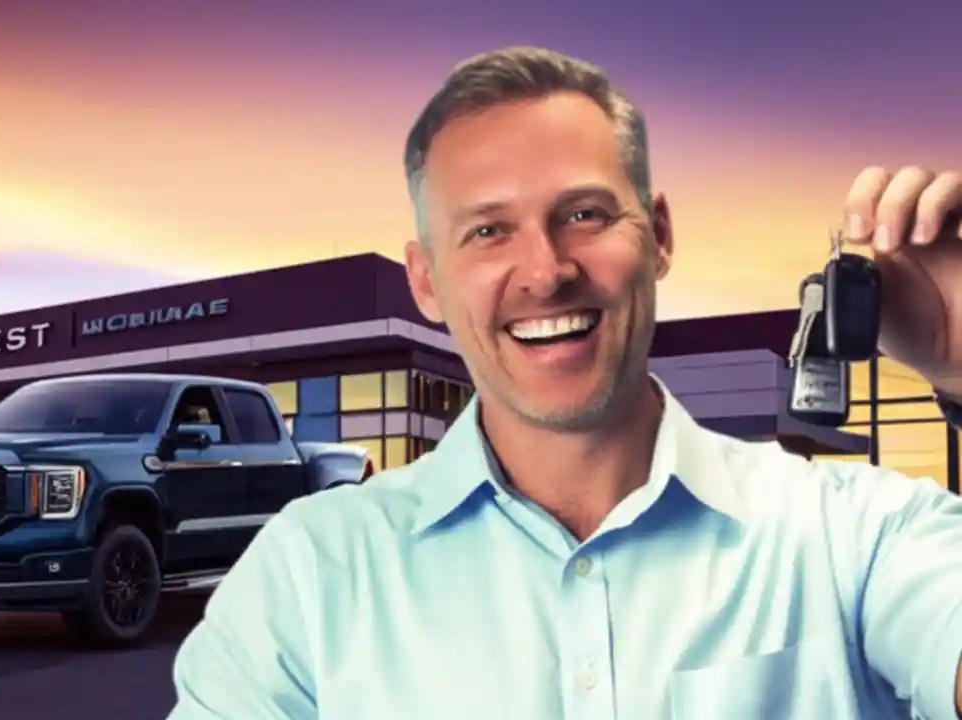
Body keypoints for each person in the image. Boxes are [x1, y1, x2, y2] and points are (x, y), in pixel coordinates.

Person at [168, 45, 962, 719]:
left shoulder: (857, 537)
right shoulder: (307, 578)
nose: (546, 273)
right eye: (487, 231)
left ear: (658, 236)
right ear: (427, 282)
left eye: (583, 214)